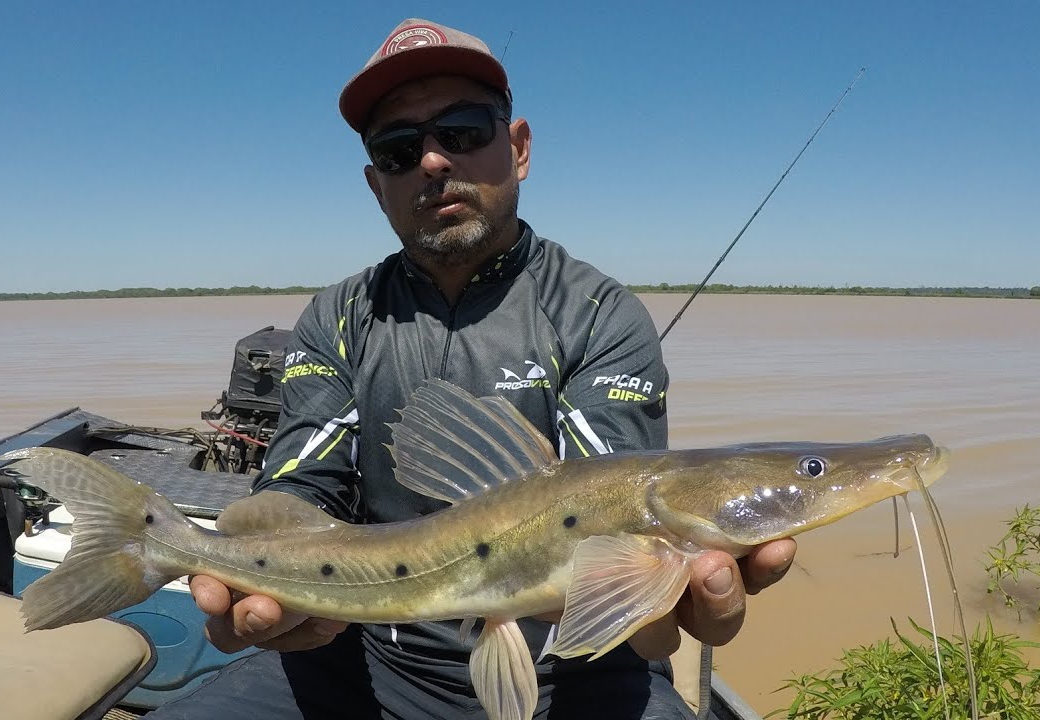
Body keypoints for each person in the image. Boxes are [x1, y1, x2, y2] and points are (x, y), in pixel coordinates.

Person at [148, 17, 796, 720]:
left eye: (461, 132)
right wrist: (262, 580)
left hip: (575, 667)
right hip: (358, 652)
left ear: (517, 149)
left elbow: (608, 500)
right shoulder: (339, 315)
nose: (431, 162)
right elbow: (303, 486)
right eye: (399, 149)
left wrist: (653, 593)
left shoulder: (598, 313)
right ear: (376, 183)